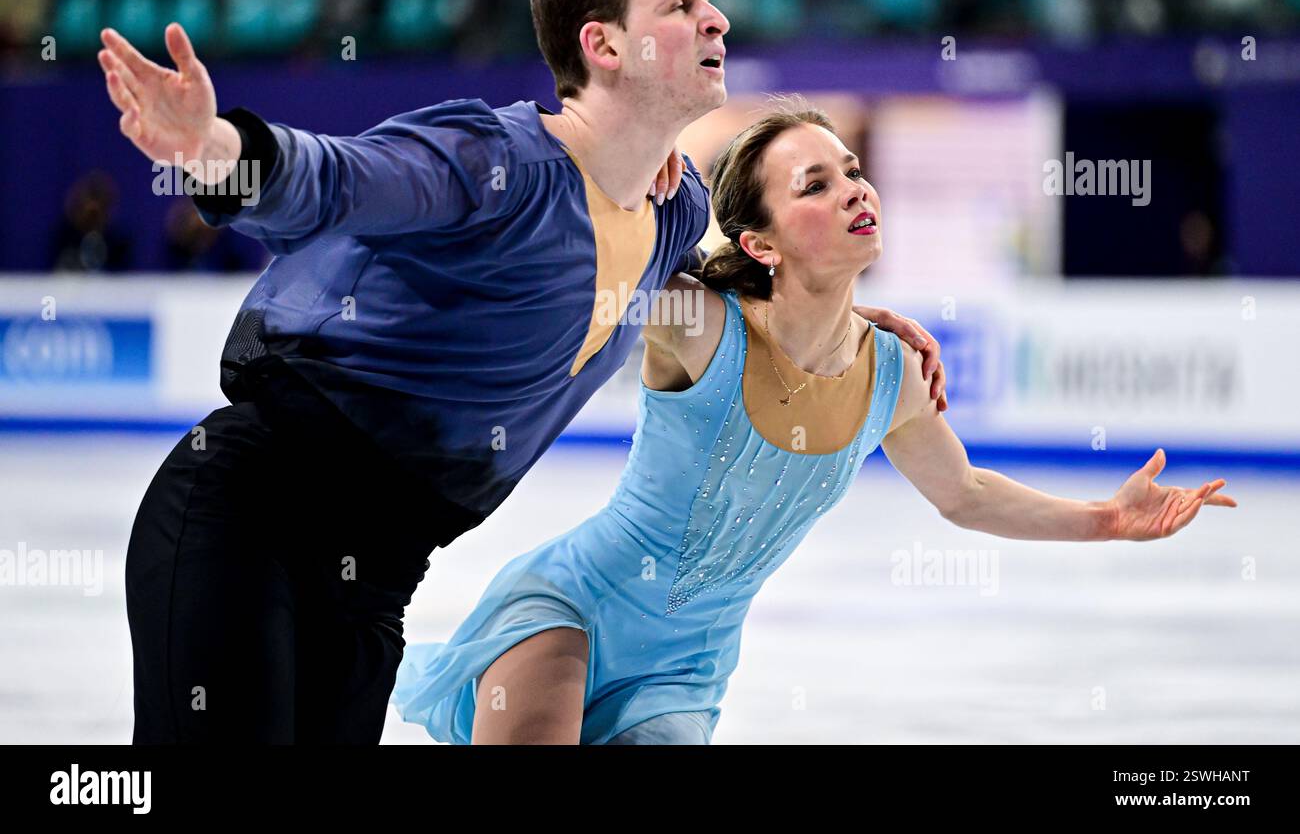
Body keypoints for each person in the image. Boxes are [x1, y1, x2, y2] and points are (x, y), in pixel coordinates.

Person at [99, 0, 948, 743]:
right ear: (604, 46)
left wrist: (832, 309)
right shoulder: (493, 162)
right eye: (681, 5)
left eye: (709, 2)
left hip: (374, 581)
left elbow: (726, 280)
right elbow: (336, 178)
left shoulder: (677, 204)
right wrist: (210, 147)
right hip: (249, 513)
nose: (716, 17)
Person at [391, 102, 1237, 745]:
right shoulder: (699, 324)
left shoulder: (894, 374)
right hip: (571, 606)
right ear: (759, 243)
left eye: (851, 170)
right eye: (816, 185)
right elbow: (597, 267)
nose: (854, 189)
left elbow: (966, 494)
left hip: (688, 668)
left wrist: (1108, 521)